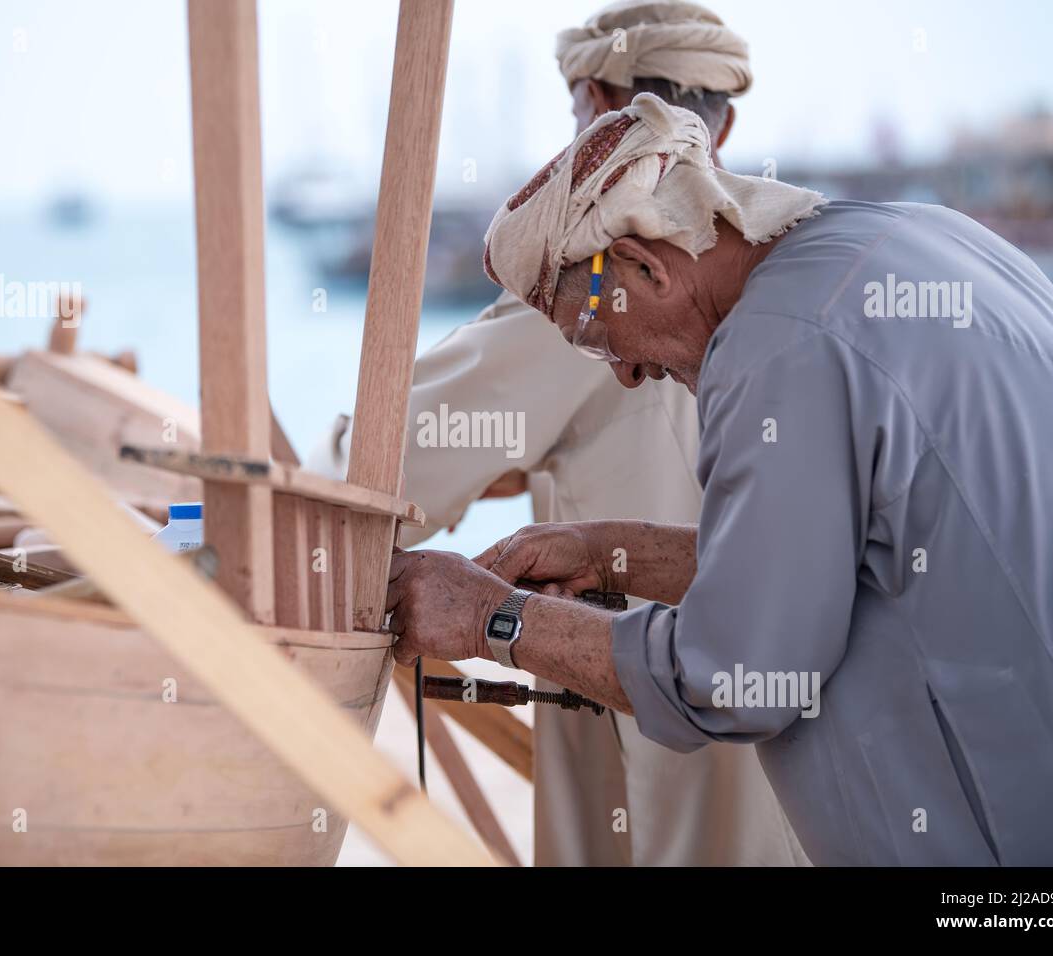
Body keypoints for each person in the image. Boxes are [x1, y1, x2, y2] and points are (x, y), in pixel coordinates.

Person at [385, 94, 1053, 865]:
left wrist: (491, 621)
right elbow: (839, 563)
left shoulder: (777, 345)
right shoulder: (920, 238)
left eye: (597, 337)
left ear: (643, 264)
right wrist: (605, 553)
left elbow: (739, 680)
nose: (629, 375)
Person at [310, 1, 805, 866]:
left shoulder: (596, 280)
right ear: (725, 118)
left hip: (655, 718)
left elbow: (375, 474)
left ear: (603, 102)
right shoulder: (783, 252)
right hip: (798, 745)